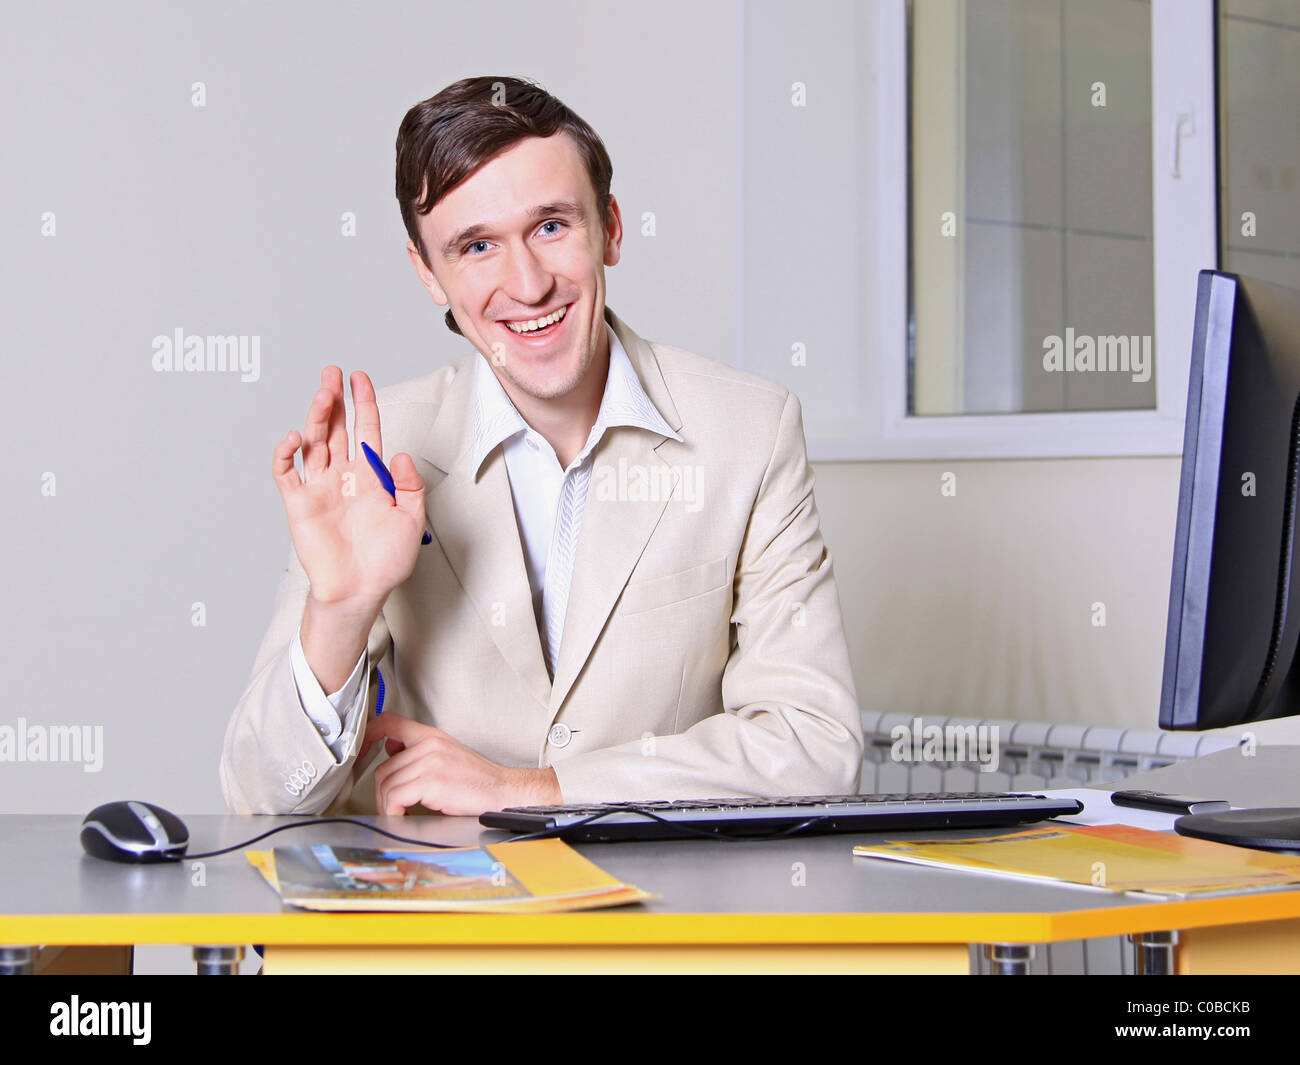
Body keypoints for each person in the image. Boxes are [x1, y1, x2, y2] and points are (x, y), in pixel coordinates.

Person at [219, 75, 863, 818]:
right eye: (477, 246)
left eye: (552, 227)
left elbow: (814, 747)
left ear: (611, 228)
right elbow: (260, 799)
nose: (526, 285)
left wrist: (531, 791)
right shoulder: (380, 451)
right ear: (428, 274)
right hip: (439, 920)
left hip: (662, 917)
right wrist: (340, 610)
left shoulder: (750, 432)